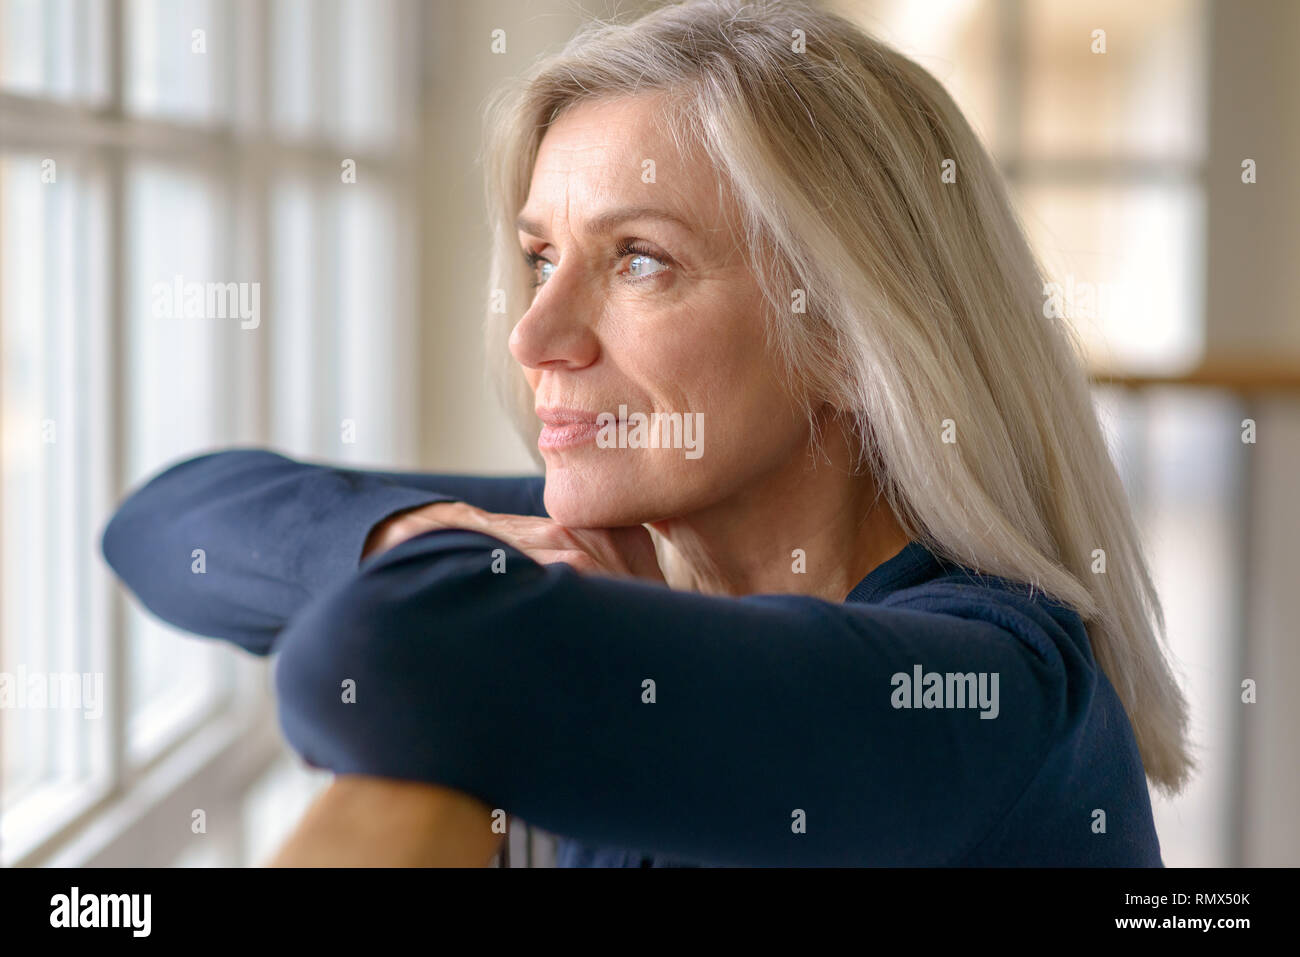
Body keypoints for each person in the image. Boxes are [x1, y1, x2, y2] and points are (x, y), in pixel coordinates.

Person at [101, 0, 1193, 866]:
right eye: (539, 256)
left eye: (638, 260)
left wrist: (453, 580)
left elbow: (381, 657)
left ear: (852, 338)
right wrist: (408, 535)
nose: (535, 332)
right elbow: (162, 524)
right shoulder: (634, 535)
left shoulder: (987, 692)